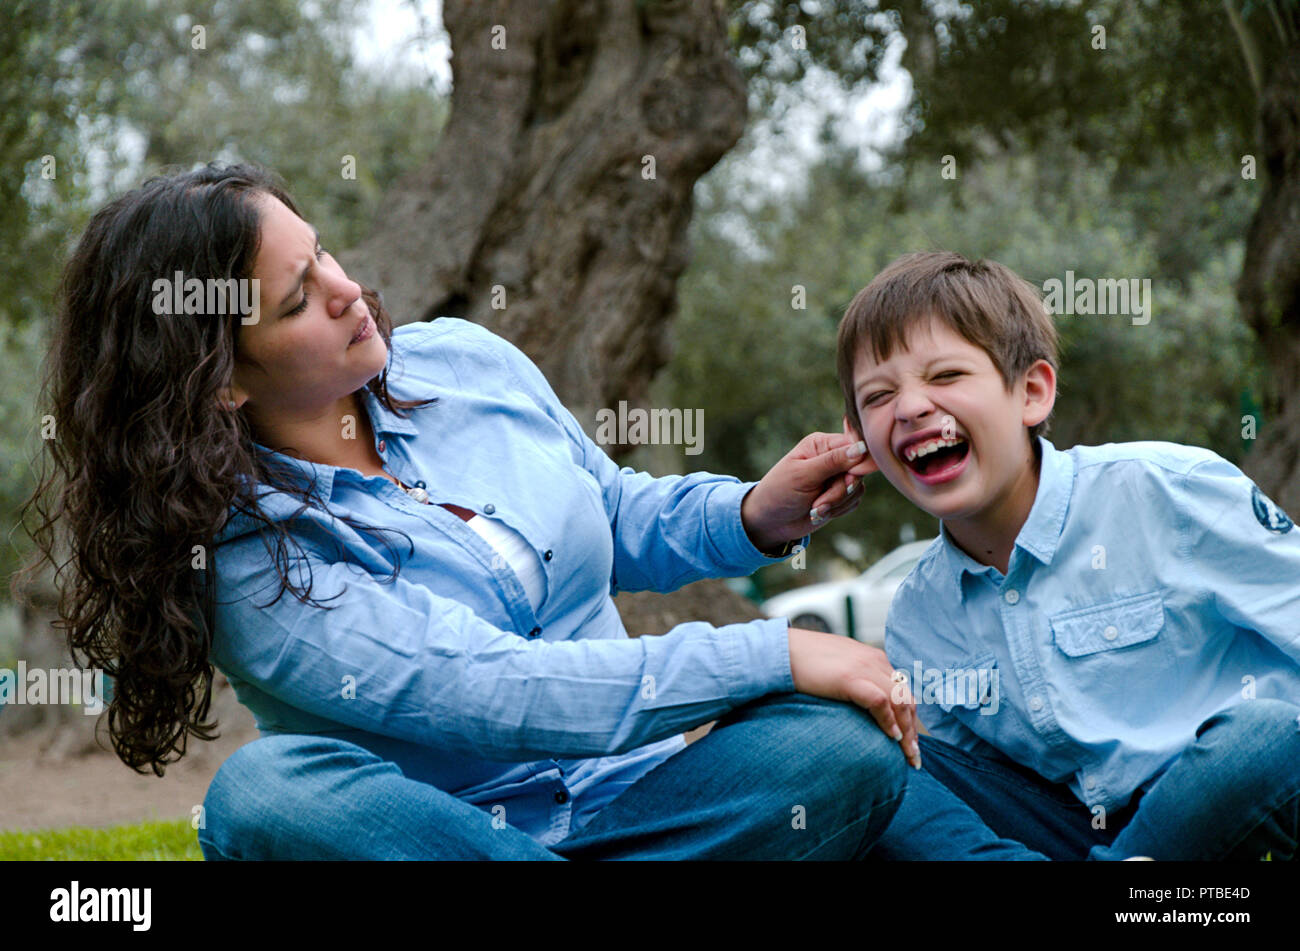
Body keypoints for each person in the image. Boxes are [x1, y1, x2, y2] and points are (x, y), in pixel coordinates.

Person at [22, 163, 1041, 860]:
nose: (347, 290)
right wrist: (772, 654)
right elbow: (492, 693)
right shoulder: (247, 564)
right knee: (265, 796)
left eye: (324, 254)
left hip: (644, 815)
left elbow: (610, 514)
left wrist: (748, 515)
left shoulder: (464, 364)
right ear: (221, 381)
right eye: (297, 300)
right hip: (446, 841)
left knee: (836, 747)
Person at [835, 250, 1300, 861]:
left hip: (1233, 816)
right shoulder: (919, 617)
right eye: (878, 396)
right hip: (1072, 835)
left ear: (1032, 393)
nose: (911, 407)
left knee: (1267, 734)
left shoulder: (1168, 489)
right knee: (867, 762)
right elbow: (969, 792)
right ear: (860, 440)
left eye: (946, 376)